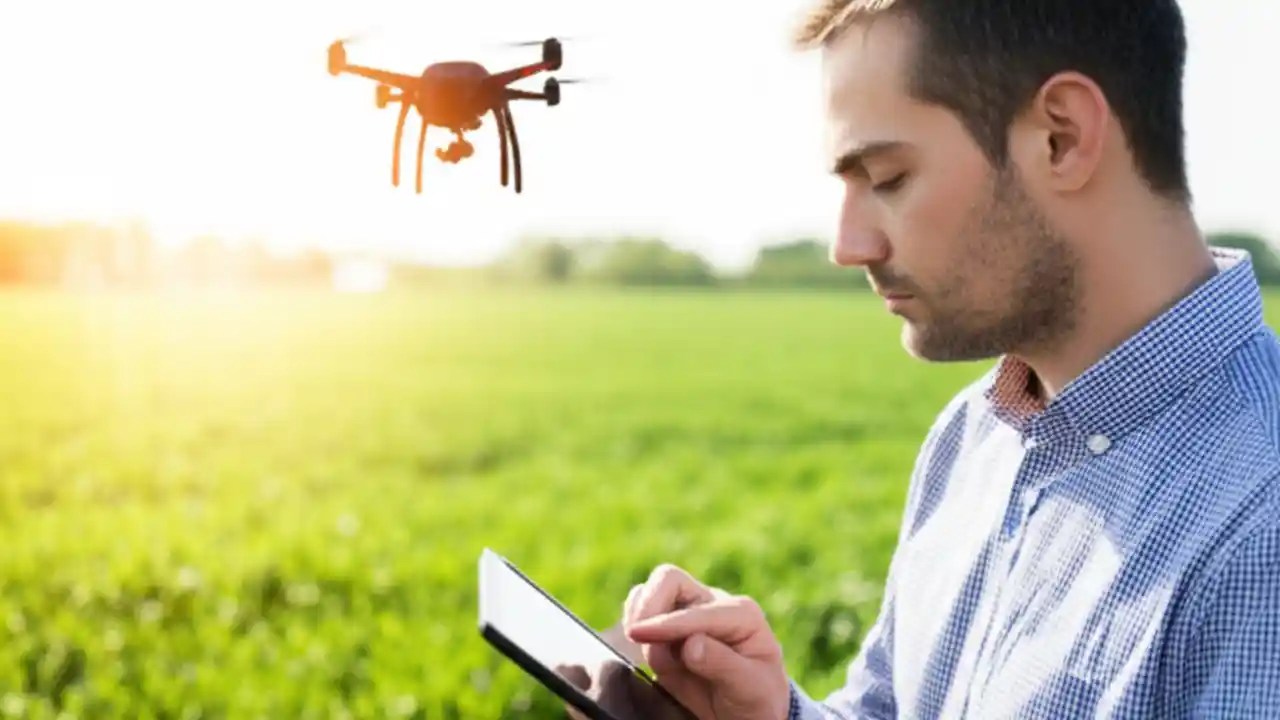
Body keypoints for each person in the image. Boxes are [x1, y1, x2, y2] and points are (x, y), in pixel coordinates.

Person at [579, 1, 1280, 718]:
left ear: (1061, 139)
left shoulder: (1264, 520)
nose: (848, 245)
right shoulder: (974, 435)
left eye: (886, 178)